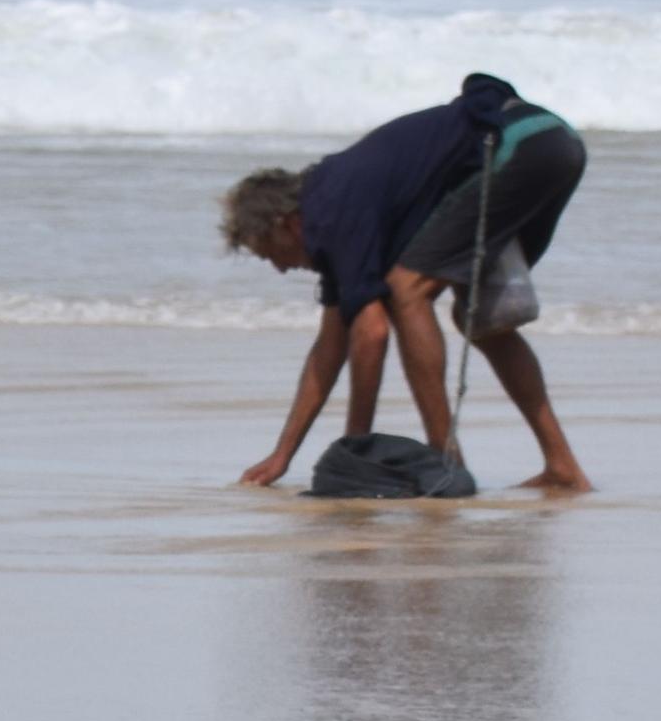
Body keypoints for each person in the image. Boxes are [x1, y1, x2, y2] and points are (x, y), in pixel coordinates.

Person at [221, 74, 593, 496]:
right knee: (484, 322)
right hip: (555, 142)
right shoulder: (338, 207)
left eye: (270, 253)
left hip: (513, 147)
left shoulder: (332, 210)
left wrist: (352, 453)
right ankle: (562, 466)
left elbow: (372, 332)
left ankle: (447, 461)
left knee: (408, 288)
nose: (280, 269)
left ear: (286, 224)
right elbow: (330, 346)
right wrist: (283, 455)